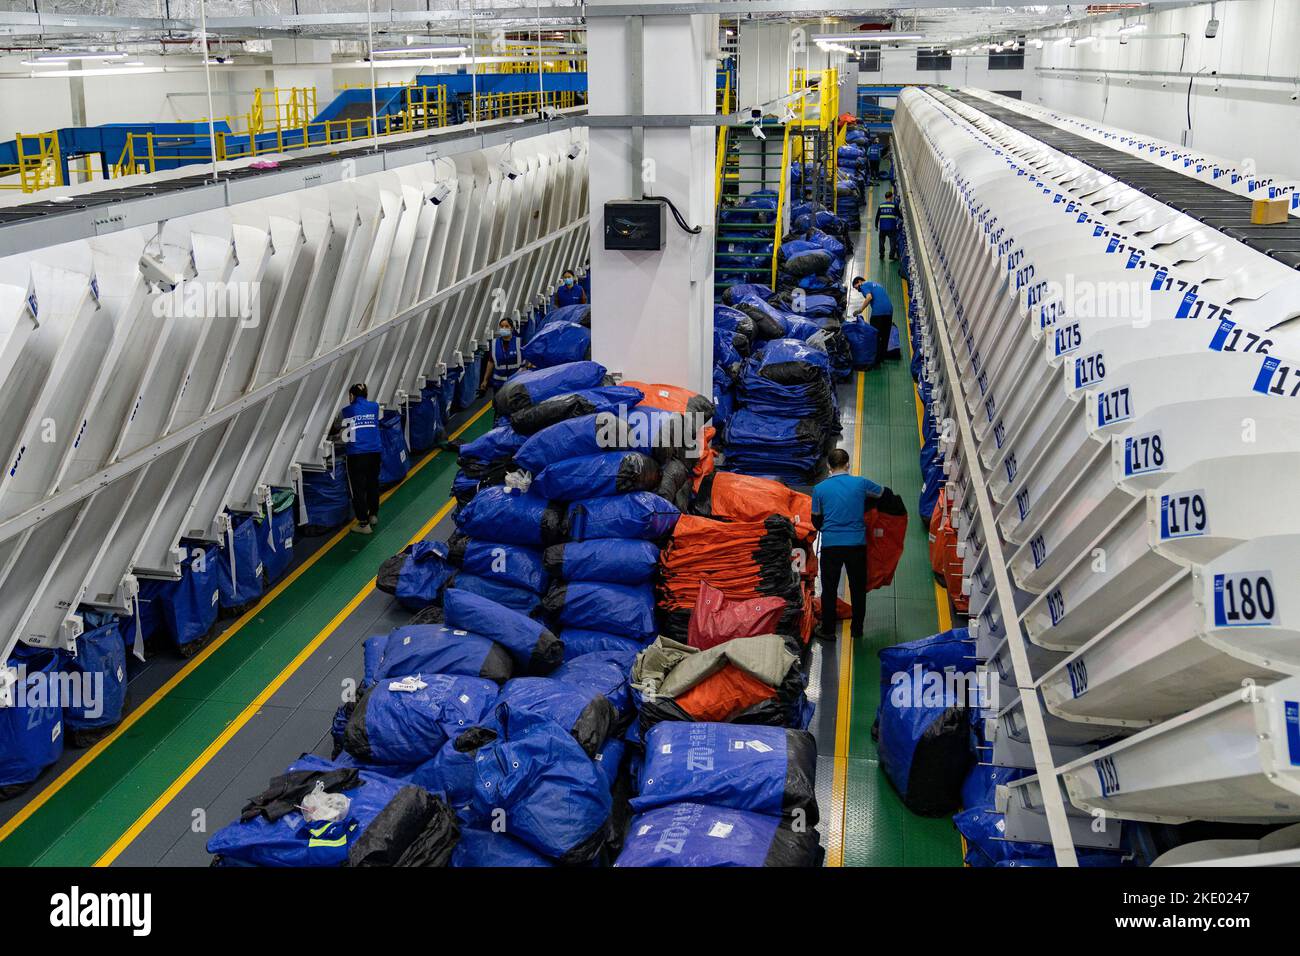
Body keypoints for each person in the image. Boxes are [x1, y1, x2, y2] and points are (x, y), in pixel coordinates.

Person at [812, 448, 883, 641]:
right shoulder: (861, 483)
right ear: (848, 464)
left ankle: (827, 630)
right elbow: (882, 494)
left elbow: (816, 522)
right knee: (858, 588)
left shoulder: (819, 489)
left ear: (829, 467)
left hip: (831, 546)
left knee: (829, 588)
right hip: (856, 545)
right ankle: (857, 629)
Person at [338, 383, 382, 534]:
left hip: (357, 455)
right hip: (375, 452)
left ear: (352, 396)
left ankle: (363, 524)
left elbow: (342, 434)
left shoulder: (346, 411)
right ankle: (373, 515)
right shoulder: (375, 407)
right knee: (372, 483)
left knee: (358, 489)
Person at [480, 315, 524, 415]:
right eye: (502, 327)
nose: (504, 329)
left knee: (515, 407)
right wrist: (485, 380)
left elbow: (526, 360)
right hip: (498, 384)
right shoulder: (495, 343)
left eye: (506, 326)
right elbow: (491, 362)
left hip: (515, 383)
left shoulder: (518, 342)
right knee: (499, 408)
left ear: (511, 328)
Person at [850, 275, 894, 370]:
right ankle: (881, 358)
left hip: (878, 312)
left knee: (875, 336)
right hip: (889, 310)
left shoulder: (864, 285)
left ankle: (874, 361)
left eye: (856, 287)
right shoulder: (876, 284)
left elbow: (869, 297)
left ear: (859, 281)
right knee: (885, 336)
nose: (858, 290)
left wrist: (860, 310)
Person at [875, 190, 900, 261]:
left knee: (881, 241)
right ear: (891, 197)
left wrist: (876, 225)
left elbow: (877, 217)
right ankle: (891, 256)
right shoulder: (894, 205)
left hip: (882, 228)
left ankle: (881, 254)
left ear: (885, 197)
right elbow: (898, 215)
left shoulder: (881, 205)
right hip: (891, 227)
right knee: (892, 242)